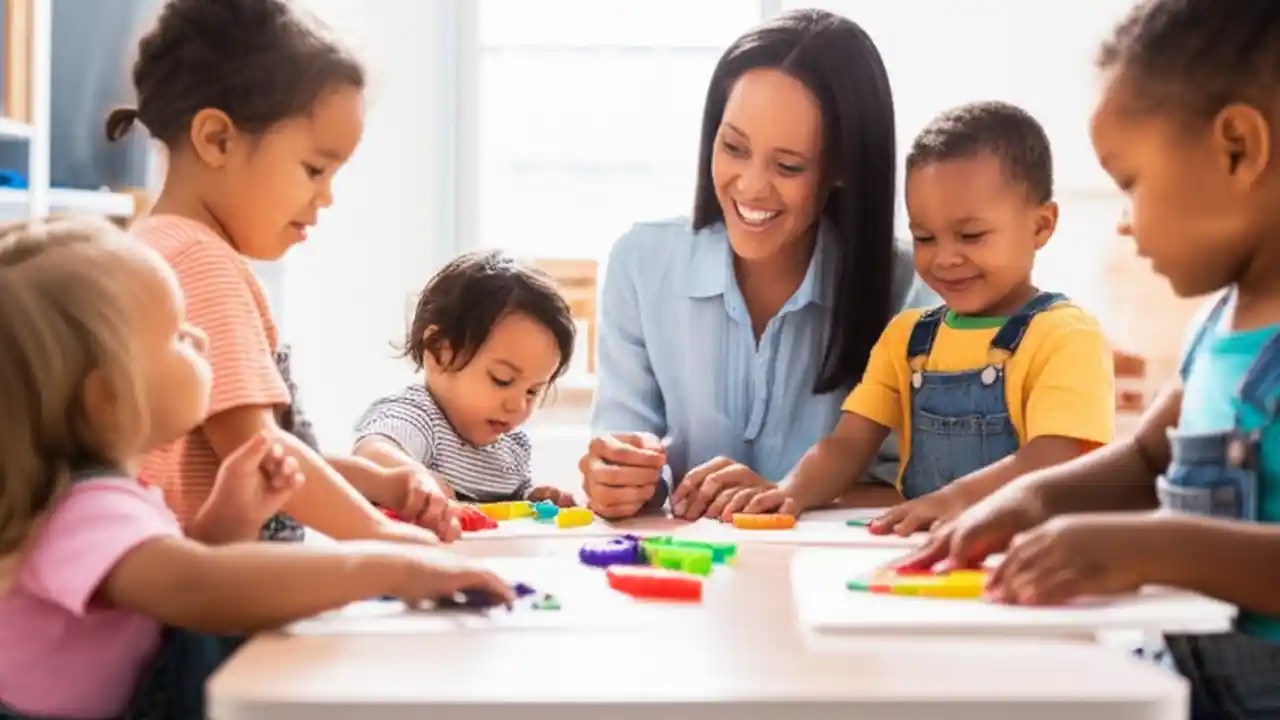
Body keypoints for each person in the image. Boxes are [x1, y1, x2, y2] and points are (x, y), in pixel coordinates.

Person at [902, 1, 1280, 716]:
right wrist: (1031, 499)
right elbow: (1143, 461)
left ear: (1236, 147)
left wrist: (1152, 547)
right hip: (1183, 684)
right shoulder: (1215, 330)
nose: (1126, 221)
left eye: (1131, 181)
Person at [0, 218, 512, 720]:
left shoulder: (104, 500)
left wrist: (226, 523)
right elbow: (194, 588)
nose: (200, 341)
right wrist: (387, 567)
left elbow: (158, 597)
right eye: (178, 337)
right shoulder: (81, 512)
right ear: (108, 397)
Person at [107, 0, 442, 544]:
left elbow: (264, 451)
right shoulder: (199, 261)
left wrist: (380, 483)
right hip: (196, 605)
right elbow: (260, 451)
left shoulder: (151, 246)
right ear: (216, 139)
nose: (326, 196)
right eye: (314, 168)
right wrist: (383, 537)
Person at [580, 8, 932, 521]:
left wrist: (784, 491)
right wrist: (619, 479)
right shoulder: (641, 263)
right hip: (683, 580)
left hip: (831, 584)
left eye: (788, 165)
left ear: (842, 168)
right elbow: (623, 445)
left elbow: (920, 489)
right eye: (733, 147)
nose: (749, 186)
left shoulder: (909, 291)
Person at [736, 102, 1114, 533]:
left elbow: (1053, 458)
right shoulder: (908, 338)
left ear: (1041, 226)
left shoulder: (1065, 335)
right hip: (924, 547)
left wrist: (952, 500)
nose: (946, 258)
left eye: (971, 235)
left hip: (1026, 548)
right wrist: (792, 490)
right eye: (924, 237)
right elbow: (848, 443)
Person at [353, 251, 578, 507]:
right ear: (439, 352)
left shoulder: (511, 446)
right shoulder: (419, 417)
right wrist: (417, 478)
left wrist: (534, 497)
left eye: (533, 392)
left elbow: (509, 509)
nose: (518, 406)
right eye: (502, 380)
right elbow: (372, 453)